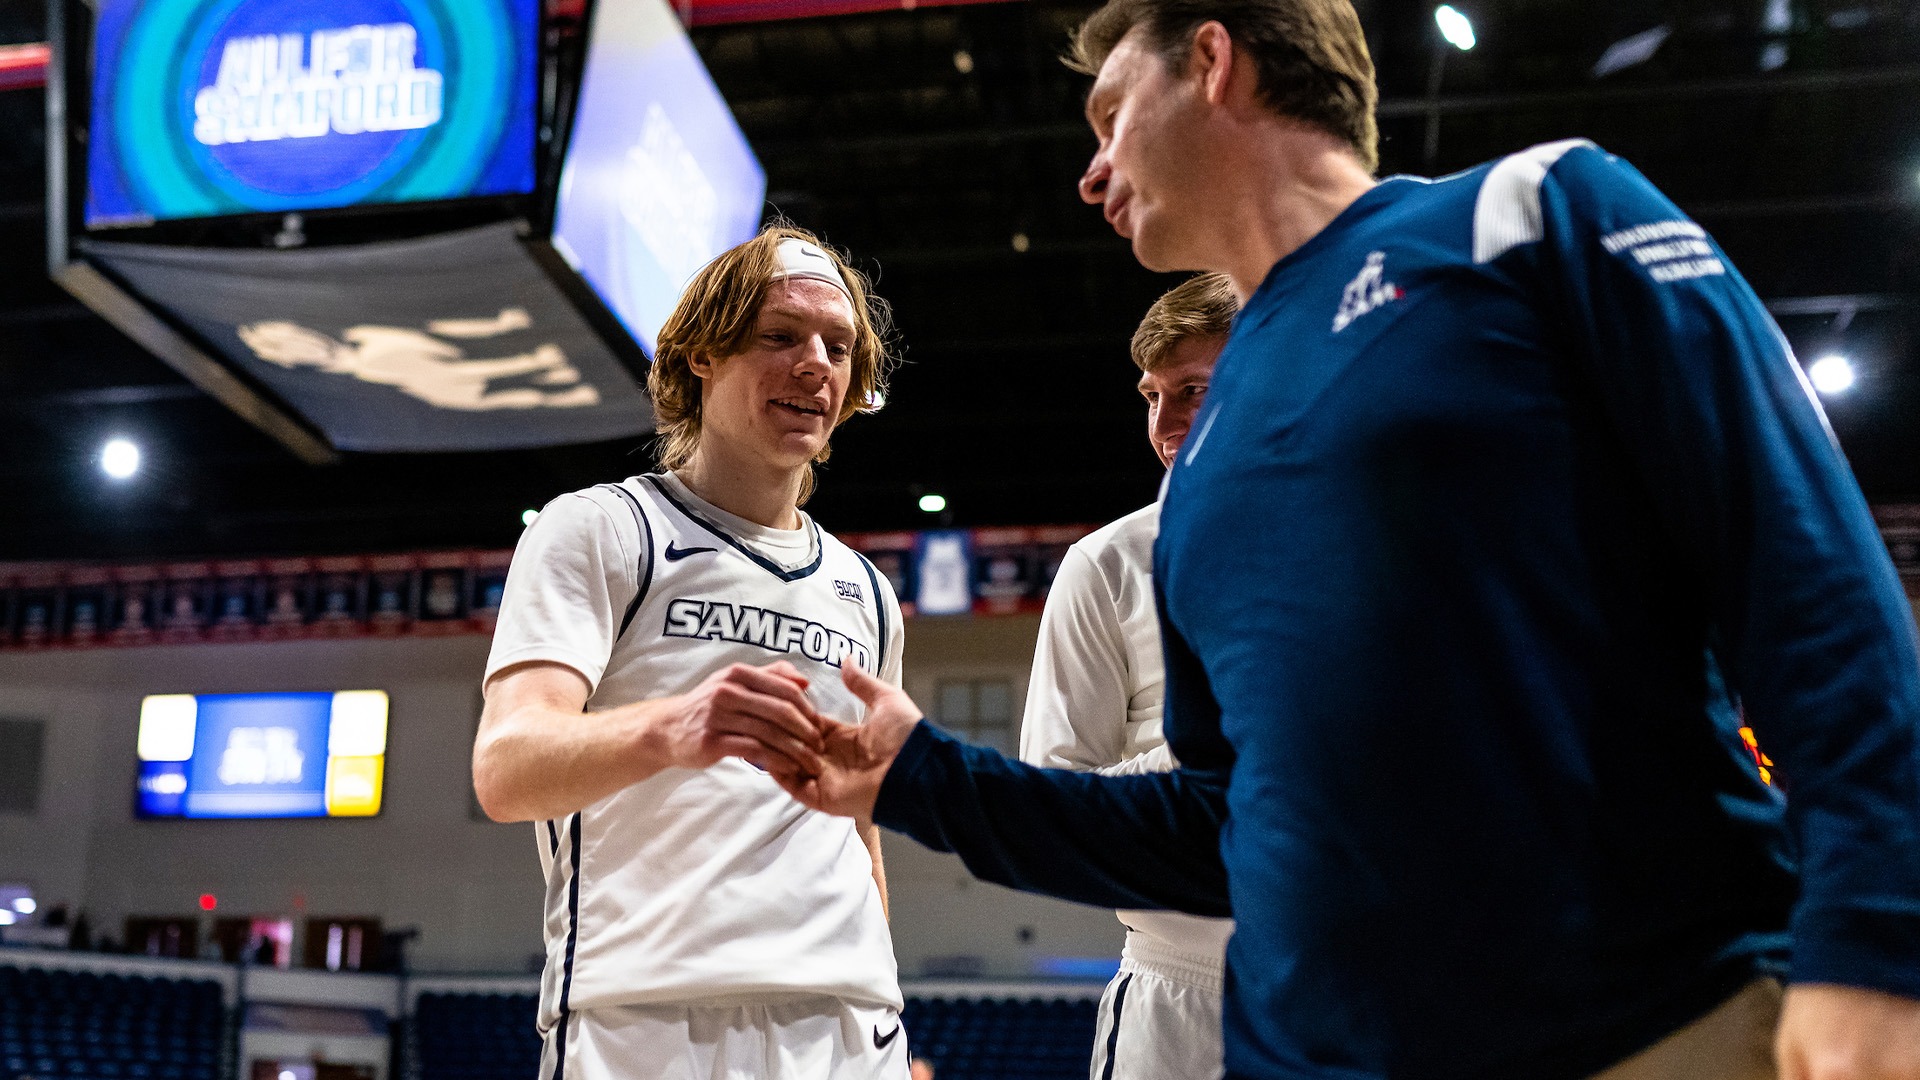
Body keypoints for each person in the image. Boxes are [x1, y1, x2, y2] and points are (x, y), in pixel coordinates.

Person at [757, 2, 1920, 1079]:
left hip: (1649, 1026)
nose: (1090, 170)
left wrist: (1873, 941)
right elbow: (1223, 819)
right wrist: (927, 778)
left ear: (1213, 61)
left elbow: (1806, 575)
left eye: (1111, 114)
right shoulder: (1204, 465)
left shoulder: (1534, 212)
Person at [473, 225, 912, 1080]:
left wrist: (883, 995)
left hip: (847, 1029)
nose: (816, 364)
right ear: (703, 354)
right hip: (645, 1019)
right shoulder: (602, 529)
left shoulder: (867, 589)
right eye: (780, 336)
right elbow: (506, 769)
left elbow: (861, 828)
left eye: (838, 346)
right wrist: (672, 727)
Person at [1018, 273, 1237, 1080]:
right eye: (1152, 394)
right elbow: (1049, 816)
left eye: (1193, 390)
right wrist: (1205, 754)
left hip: (1355, 981)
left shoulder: (1371, 534)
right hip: (1181, 993)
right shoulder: (1107, 565)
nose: (1165, 423)